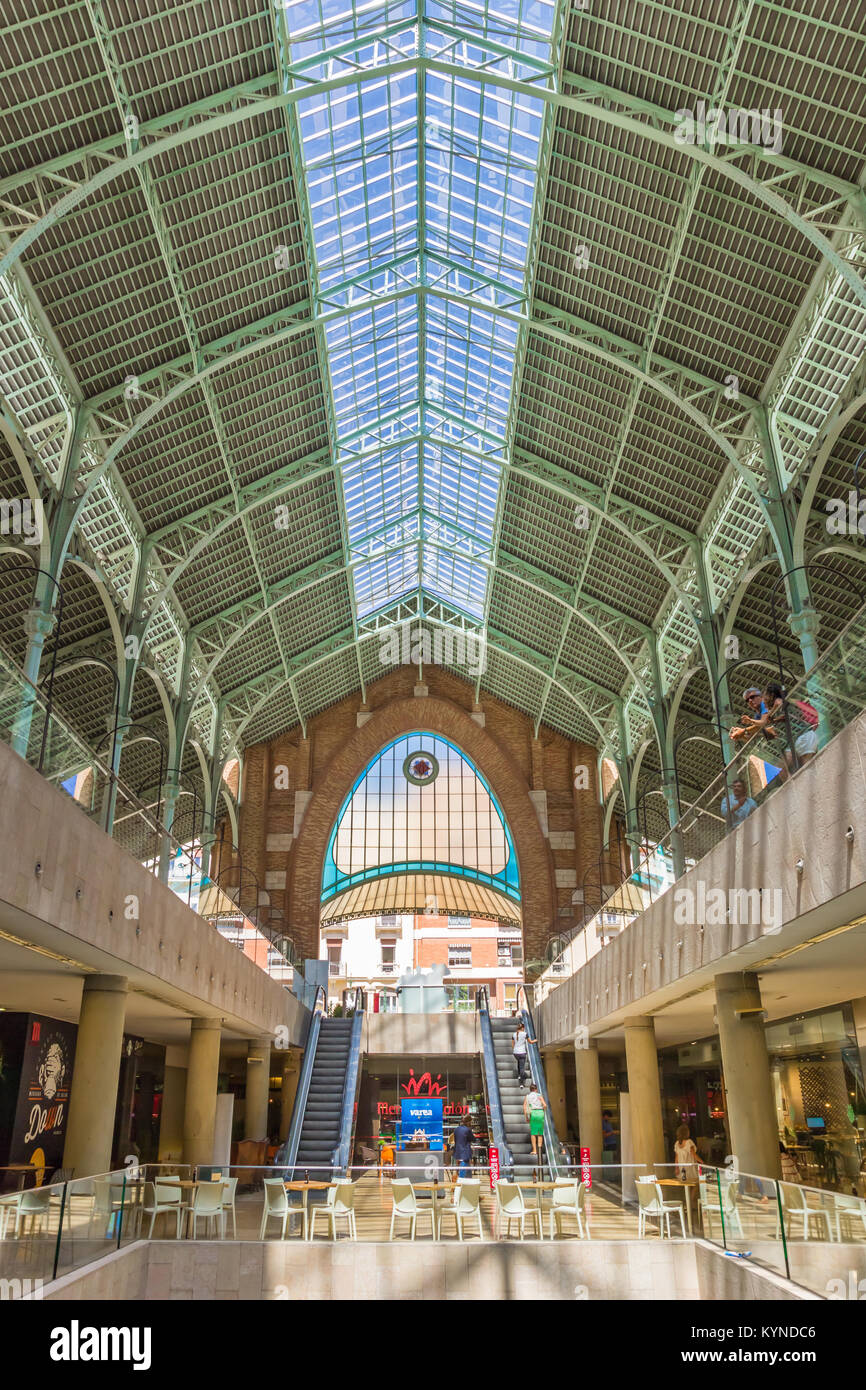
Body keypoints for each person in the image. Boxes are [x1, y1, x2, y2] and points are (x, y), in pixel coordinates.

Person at [761, 682, 819, 774]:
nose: (764, 701)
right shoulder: (782, 708)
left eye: (765, 697)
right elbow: (785, 717)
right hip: (794, 740)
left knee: (808, 768)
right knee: (782, 770)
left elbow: (778, 702)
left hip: (803, 735)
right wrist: (774, 719)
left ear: (772, 695)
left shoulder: (781, 702)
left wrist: (770, 714)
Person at [523, 1082, 547, 1162]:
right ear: (536, 1089)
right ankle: (539, 1148)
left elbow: (524, 1107)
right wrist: (543, 1111)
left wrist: (526, 1117)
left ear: (530, 1090)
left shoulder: (528, 1096)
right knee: (540, 1132)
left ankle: (534, 1150)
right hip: (540, 1113)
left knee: (533, 1133)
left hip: (533, 1113)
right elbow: (545, 1105)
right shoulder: (539, 1095)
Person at [512, 1020, 535, 1087]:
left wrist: (514, 1050)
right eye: (523, 1028)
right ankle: (521, 1083)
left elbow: (512, 1045)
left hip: (515, 1053)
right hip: (522, 1053)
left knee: (519, 1063)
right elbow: (530, 1042)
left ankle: (519, 1075)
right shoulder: (525, 1034)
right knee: (522, 1068)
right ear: (522, 1028)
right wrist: (535, 1041)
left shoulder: (514, 1034)